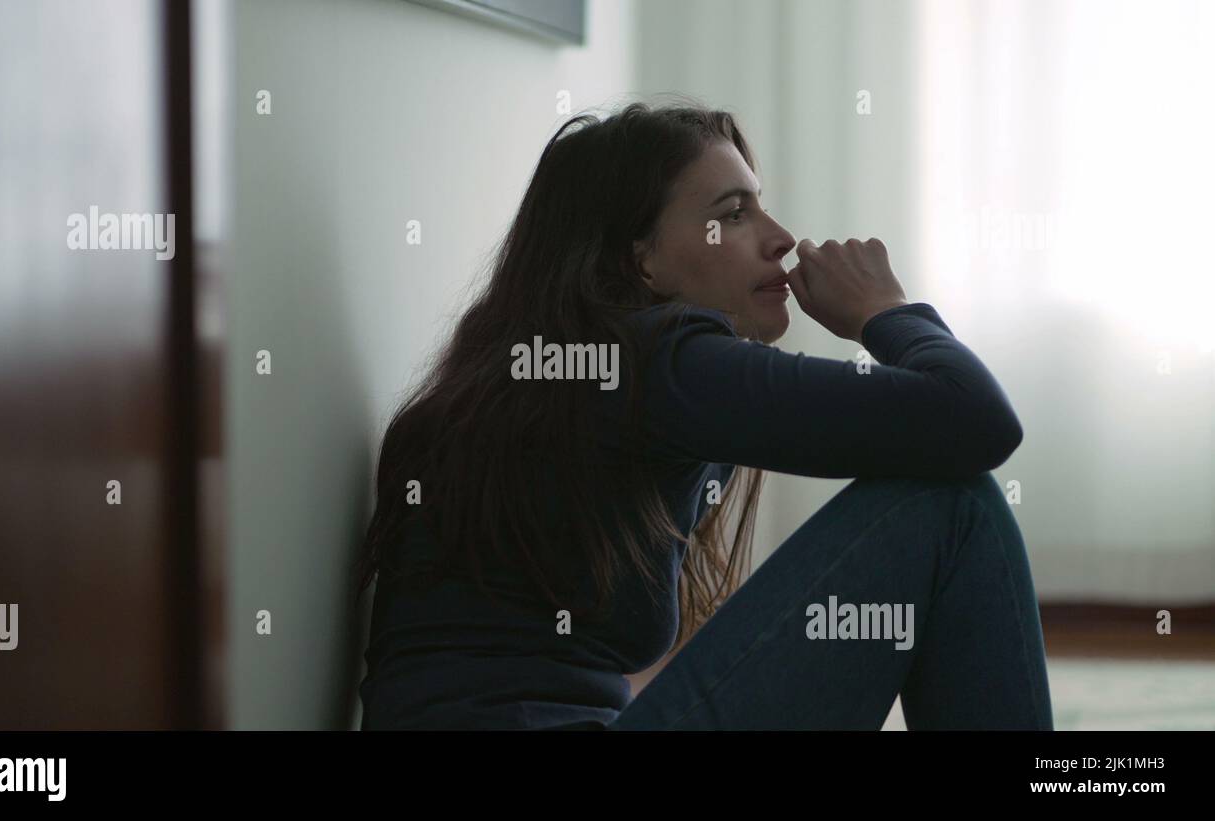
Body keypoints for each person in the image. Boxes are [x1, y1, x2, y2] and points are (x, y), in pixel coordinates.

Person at [351, 100, 1054, 730]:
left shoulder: (565, 374)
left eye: (761, 205)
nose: (781, 237)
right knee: (953, 507)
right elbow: (975, 417)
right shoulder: (655, 360)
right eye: (733, 214)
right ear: (642, 261)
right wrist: (885, 311)